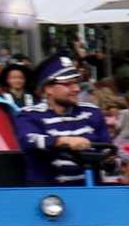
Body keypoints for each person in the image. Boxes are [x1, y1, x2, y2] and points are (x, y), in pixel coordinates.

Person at [13, 54, 115, 184]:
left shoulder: (92, 113)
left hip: (90, 193)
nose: (76, 89)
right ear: (48, 88)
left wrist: (110, 160)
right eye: (68, 84)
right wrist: (61, 141)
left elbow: (108, 148)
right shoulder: (29, 115)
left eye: (76, 83)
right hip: (48, 197)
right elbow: (28, 140)